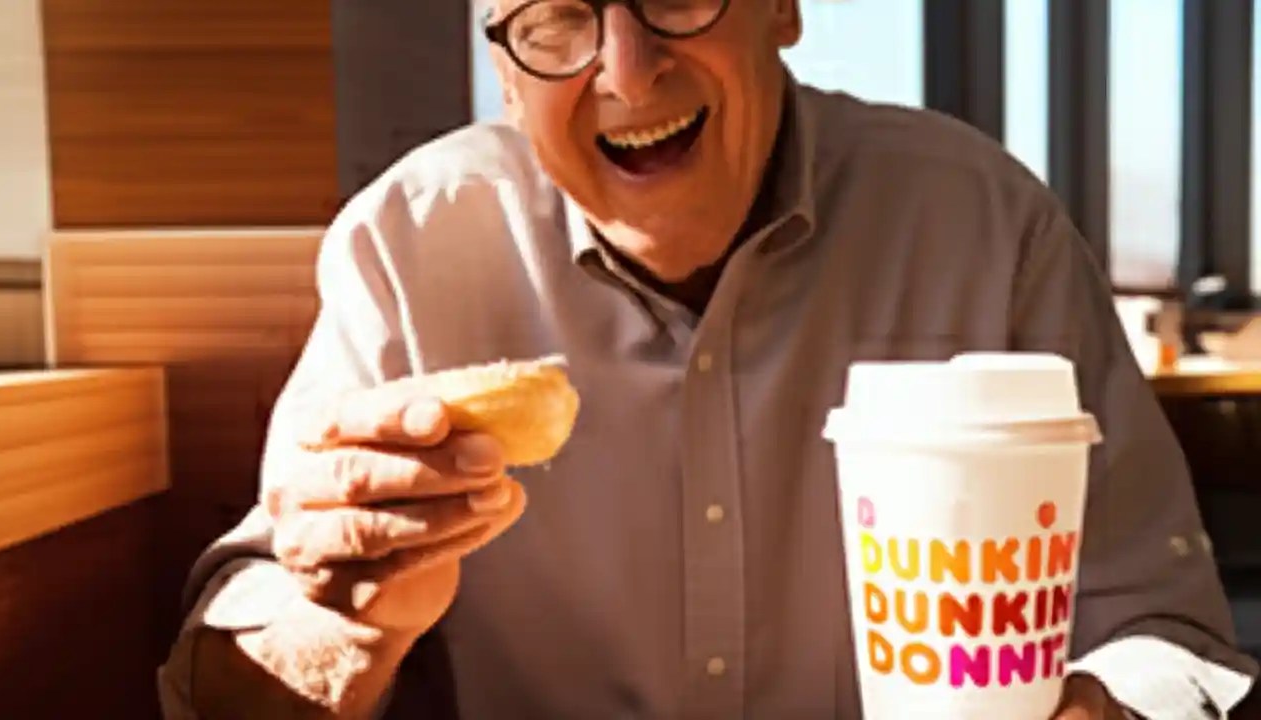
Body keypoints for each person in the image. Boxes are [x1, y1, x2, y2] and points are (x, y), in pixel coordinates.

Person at [158, 0, 1259, 716]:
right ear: (502, 66)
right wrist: (341, 624)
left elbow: (1161, 629)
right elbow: (226, 676)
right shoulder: (408, 245)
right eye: (553, 23)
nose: (627, 73)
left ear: (781, 7)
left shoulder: (981, 225)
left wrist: (1100, 709)